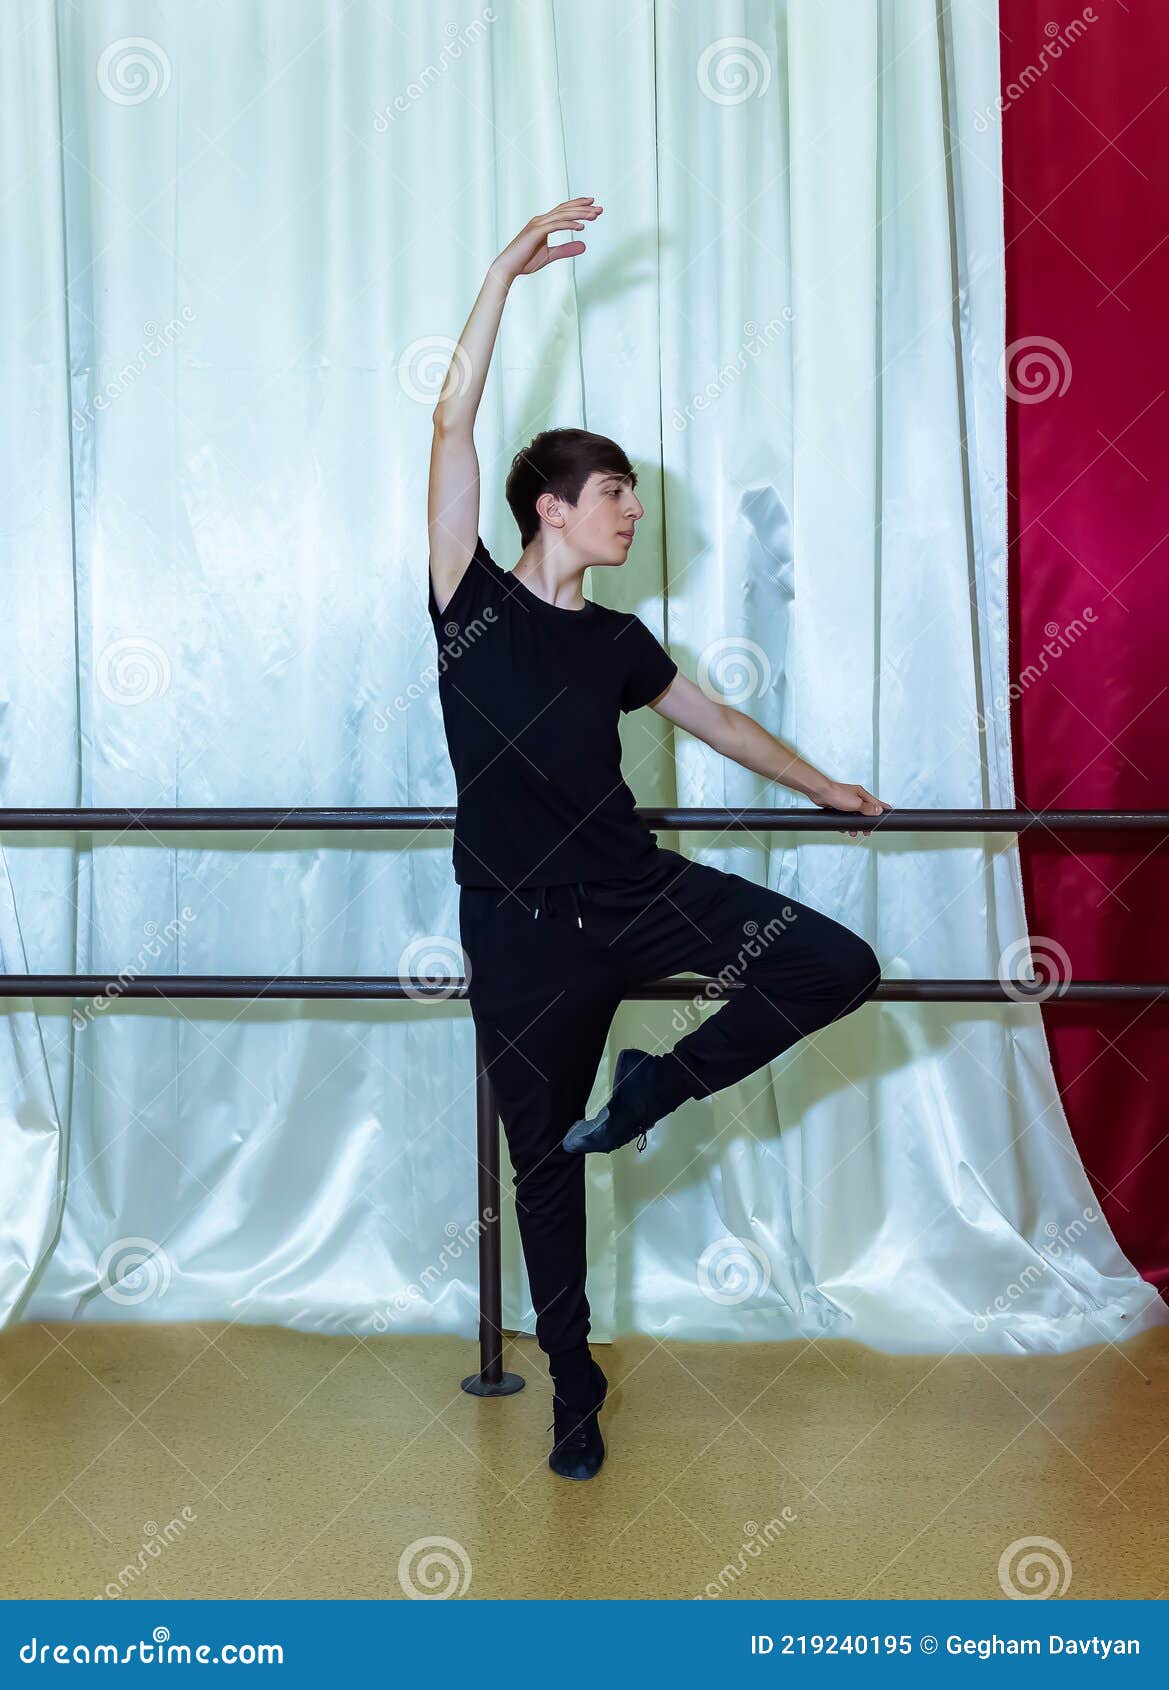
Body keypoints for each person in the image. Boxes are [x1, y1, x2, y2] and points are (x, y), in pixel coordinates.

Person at [427, 198, 888, 1482]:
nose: (631, 513)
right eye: (616, 494)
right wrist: (502, 270)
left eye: (631, 493)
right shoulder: (467, 602)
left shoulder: (617, 642)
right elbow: (449, 424)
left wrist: (825, 789)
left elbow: (722, 720)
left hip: (632, 890)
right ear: (552, 509)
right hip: (517, 927)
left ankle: (654, 1090)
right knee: (541, 1167)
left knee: (832, 962)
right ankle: (573, 1381)